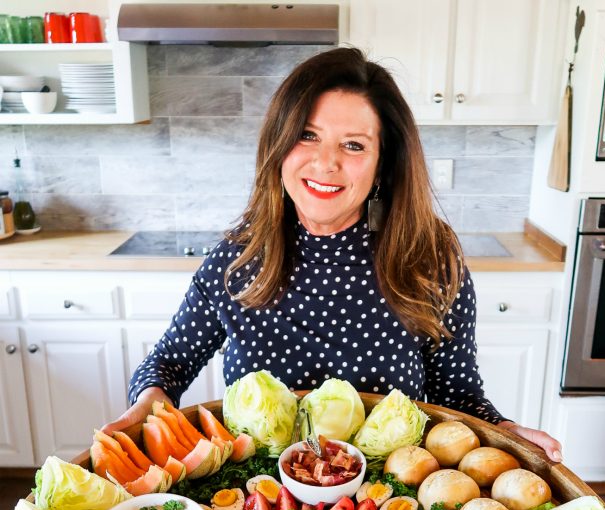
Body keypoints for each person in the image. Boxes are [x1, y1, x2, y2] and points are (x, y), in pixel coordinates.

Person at [104, 47, 562, 462]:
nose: (326, 162)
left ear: (383, 162)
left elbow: (456, 393)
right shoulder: (239, 257)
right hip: (262, 506)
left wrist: (503, 429)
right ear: (278, 145)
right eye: (307, 135)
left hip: (392, 509)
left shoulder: (428, 260)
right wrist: (148, 403)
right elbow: (171, 360)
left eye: (353, 144)